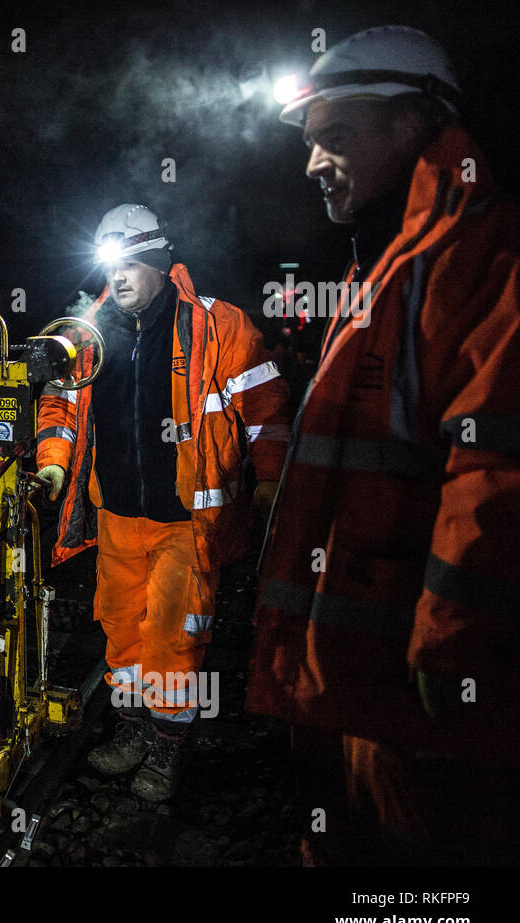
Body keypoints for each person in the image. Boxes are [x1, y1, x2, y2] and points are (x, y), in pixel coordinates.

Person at [251, 25, 520, 865]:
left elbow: (498, 468)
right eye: (309, 143)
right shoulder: (385, 273)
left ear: (409, 128)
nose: (312, 164)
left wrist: (454, 647)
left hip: (421, 699)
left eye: (335, 137)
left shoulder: (485, 257)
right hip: (357, 682)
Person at [36, 204, 289, 800]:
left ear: (157, 259)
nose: (118, 277)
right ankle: (131, 731)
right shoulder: (88, 333)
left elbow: (267, 412)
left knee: (175, 639)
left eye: (130, 263)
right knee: (121, 631)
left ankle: (167, 748)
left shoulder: (217, 326)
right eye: (110, 266)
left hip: (185, 520)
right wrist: (52, 462)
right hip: (118, 516)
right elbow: (60, 406)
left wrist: (273, 482)